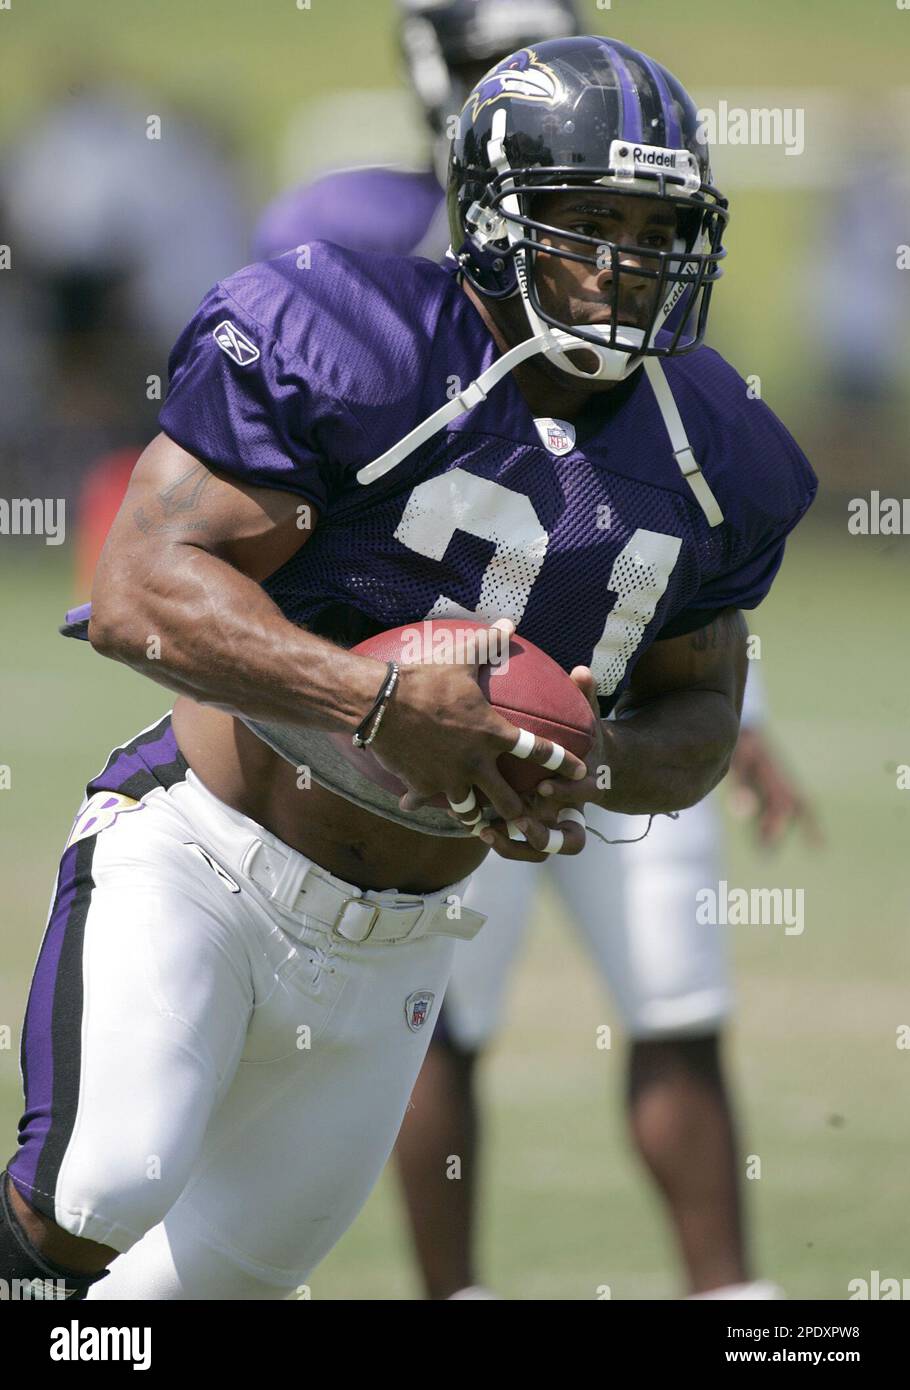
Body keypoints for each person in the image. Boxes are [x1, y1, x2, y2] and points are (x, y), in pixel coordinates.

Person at [1, 35, 815, 1301]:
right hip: (205, 854)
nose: (625, 264)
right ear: (494, 221)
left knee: (206, 1286)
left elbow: (698, 706)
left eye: (653, 226)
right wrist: (374, 700)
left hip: (404, 940)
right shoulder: (348, 337)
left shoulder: (718, 450)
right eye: (585, 222)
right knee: (102, 1186)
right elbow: (136, 589)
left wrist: (589, 759)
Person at [256, 0, 817, 1300]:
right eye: (482, 69)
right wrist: (356, 693)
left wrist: (743, 711)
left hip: (607, 690)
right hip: (429, 687)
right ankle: (456, 1291)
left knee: (675, 994)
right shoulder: (350, 249)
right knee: (437, 1010)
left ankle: (735, 1303)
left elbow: (667, 530)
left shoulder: (630, 289)